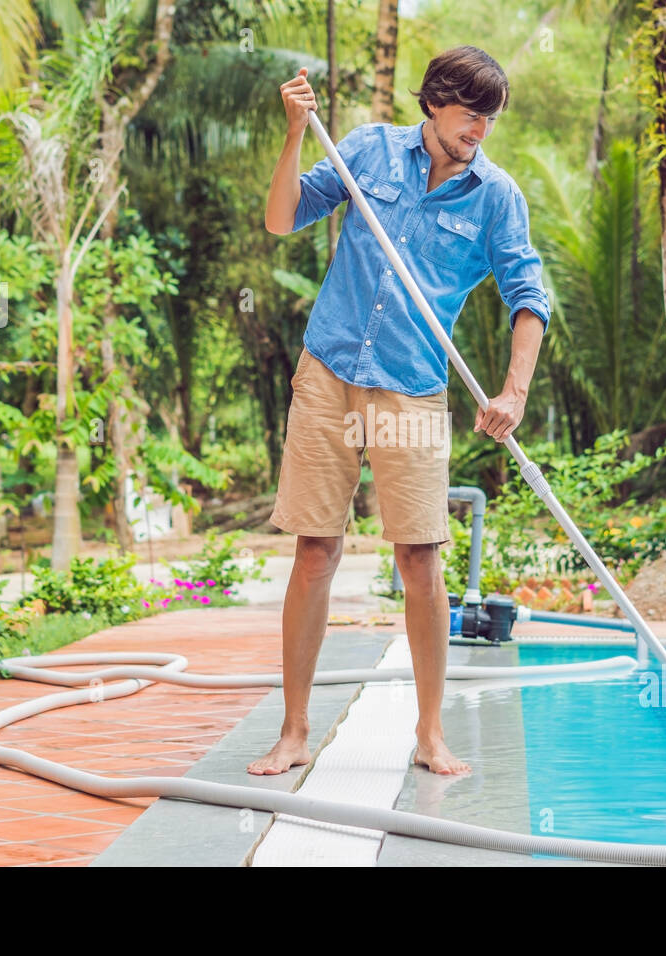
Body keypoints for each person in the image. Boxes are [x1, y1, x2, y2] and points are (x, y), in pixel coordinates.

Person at [250, 45, 550, 776]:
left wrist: (513, 392)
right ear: (436, 101)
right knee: (315, 546)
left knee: (419, 558)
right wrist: (294, 131)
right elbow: (282, 219)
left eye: (490, 120)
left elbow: (529, 299)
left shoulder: (496, 196)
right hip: (328, 369)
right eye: (471, 115)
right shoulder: (365, 150)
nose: (480, 130)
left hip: (411, 384)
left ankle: (430, 734)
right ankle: (293, 731)